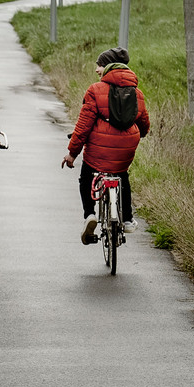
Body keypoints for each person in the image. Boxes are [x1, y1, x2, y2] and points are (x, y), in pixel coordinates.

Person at [61, 46, 149, 244]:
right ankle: (126, 219)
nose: (96, 70)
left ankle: (89, 215)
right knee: (122, 175)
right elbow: (144, 126)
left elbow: (83, 126)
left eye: (99, 65)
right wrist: (134, 134)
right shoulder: (137, 94)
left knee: (86, 176)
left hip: (98, 151)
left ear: (108, 66)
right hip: (125, 149)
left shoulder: (95, 90)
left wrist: (72, 153)